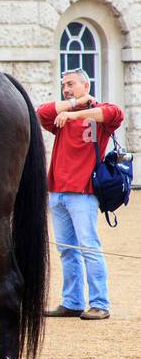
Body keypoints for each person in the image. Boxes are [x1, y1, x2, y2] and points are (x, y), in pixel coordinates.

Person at [38, 68, 124, 320]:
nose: (66, 88)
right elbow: (41, 113)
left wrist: (77, 112)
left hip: (83, 192)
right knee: (67, 250)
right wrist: (71, 105)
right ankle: (72, 301)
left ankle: (100, 303)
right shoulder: (62, 113)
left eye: (71, 84)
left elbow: (114, 114)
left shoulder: (99, 111)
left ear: (86, 86)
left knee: (89, 247)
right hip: (57, 191)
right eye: (64, 85)